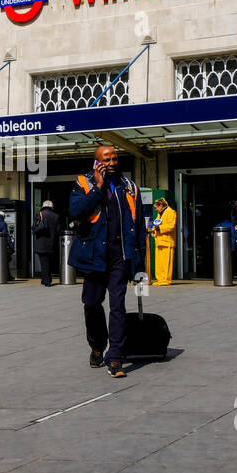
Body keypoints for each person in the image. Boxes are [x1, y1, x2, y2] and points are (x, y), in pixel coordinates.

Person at [68, 144, 142, 378]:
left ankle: (115, 357)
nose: (111, 163)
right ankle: (97, 345)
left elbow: (138, 226)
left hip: (119, 254)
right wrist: (98, 187)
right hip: (94, 255)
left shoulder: (129, 187)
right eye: (106, 159)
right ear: (97, 161)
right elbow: (75, 211)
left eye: (114, 159)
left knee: (117, 305)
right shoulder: (84, 182)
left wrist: (139, 265)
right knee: (91, 303)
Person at [147, 197, 176, 285]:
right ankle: (160, 279)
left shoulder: (171, 212)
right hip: (159, 241)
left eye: (156, 207)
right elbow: (156, 224)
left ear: (161, 206)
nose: (155, 210)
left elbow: (171, 226)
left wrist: (159, 228)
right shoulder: (160, 214)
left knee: (166, 263)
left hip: (167, 242)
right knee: (159, 263)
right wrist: (152, 230)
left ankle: (166, 280)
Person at [31, 200, 59, 286]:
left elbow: (33, 227)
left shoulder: (39, 214)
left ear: (43, 206)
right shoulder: (56, 216)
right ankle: (45, 278)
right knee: (49, 261)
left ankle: (46, 281)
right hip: (51, 242)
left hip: (41, 242)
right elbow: (58, 230)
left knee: (44, 262)